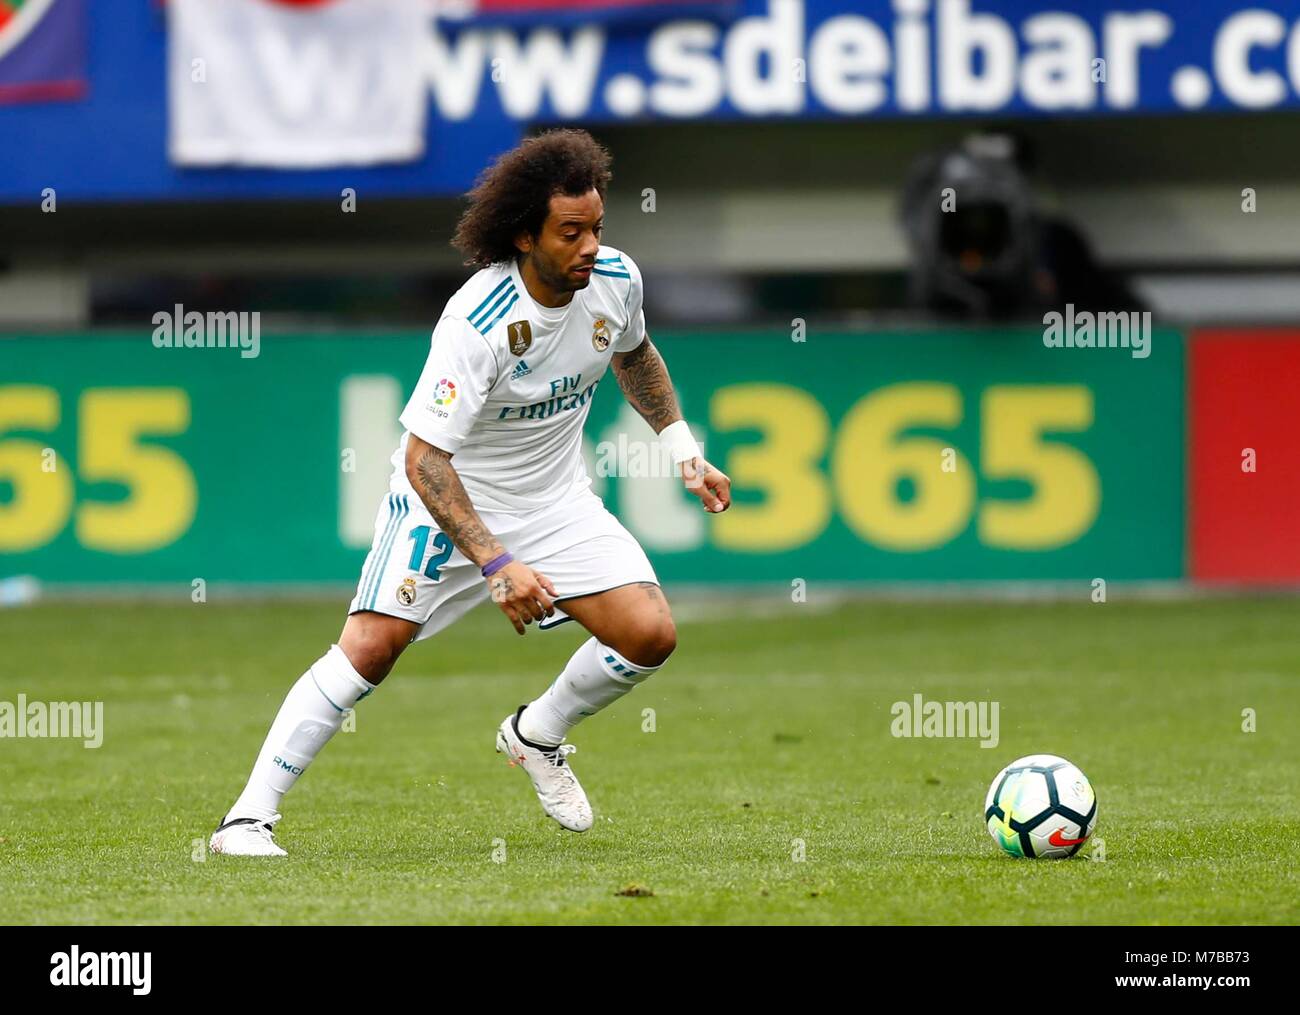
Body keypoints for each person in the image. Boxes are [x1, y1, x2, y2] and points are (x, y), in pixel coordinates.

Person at [210, 129, 732, 856]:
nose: (590, 246)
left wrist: (682, 448)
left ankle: (536, 734)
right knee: (369, 650)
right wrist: (496, 562)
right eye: (571, 232)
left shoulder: (616, 280)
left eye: (597, 227)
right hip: (448, 501)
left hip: (554, 503)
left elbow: (635, 352)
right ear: (524, 235)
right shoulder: (478, 321)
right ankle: (246, 819)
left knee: (649, 635)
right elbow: (425, 459)